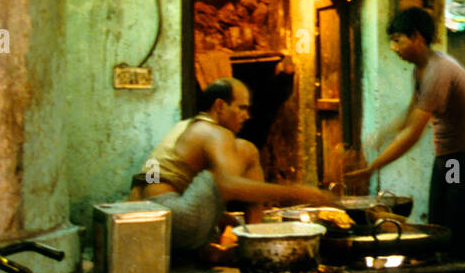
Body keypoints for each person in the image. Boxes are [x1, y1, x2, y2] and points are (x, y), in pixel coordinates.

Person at [345, 7, 465, 273]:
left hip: (463, 160)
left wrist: (372, 167)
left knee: (459, 235)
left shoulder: (439, 71)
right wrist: (380, 135)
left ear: (417, 38)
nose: (394, 47)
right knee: (439, 228)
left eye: (397, 40)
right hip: (450, 159)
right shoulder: (421, 70)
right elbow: (409, 115)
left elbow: (413, 134)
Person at [131, 78, 332, 253]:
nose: (247, 116)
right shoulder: (216, 133)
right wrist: (299, 193)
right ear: (220, 106)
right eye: (242, 108)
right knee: (247, 150)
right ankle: (256, 241)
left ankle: (249, 238)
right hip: (177, 219)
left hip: (152, 221)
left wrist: (221, 217)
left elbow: (153, 179)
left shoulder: (185, 126)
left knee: (226, 174)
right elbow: (227, 185)